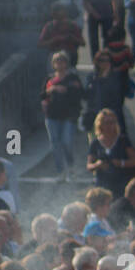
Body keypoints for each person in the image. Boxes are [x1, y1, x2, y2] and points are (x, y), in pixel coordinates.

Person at [41, 53, 84, 182]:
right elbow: (42, 95)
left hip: (69, 115)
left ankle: (70, 167)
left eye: (62, 61)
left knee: (66, 141)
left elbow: (80, 93)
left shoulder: (72, 78)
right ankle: (61, 171)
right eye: (57, 62)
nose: (59, 64)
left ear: (66, 63)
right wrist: (52, 89)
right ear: (53, 64)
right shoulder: (49, 79)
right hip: (52, 116)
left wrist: (66, 89)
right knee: (55, 144)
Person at [87, 110, 135, 196]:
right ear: (100, 124)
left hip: (122, 182)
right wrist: (98, 165)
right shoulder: (95, 143)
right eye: (107, 122)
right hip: (102, 183)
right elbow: (89, 166)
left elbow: (134, 161)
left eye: (112, 122)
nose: (110, 125)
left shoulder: (123, 141)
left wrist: (120, 163)